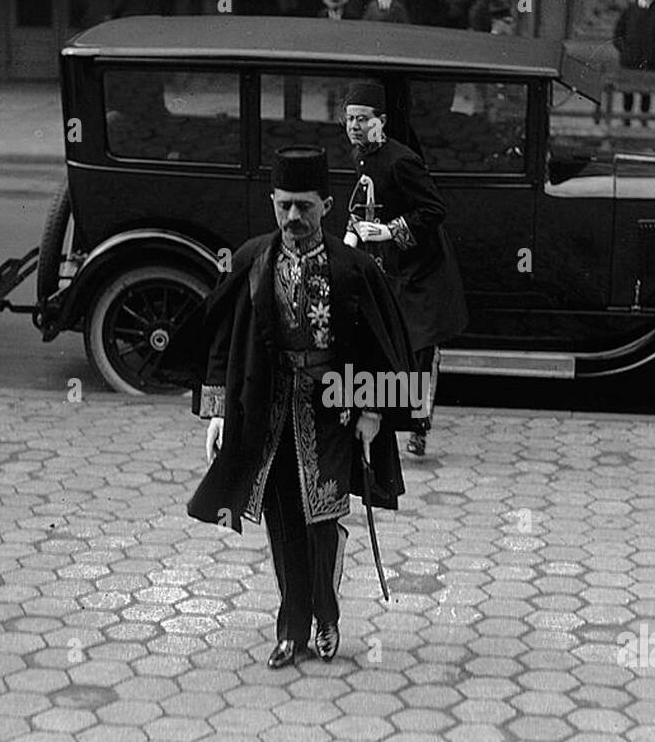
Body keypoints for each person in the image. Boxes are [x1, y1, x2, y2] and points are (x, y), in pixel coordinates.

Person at [186, 147, 416, 669]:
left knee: (325, 517)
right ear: (272, 202)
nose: (294, 217)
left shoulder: (354, 270)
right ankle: (291, 629)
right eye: (285, 205)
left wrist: (373, 410)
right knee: (283, 520)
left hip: (331, 410)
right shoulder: (251, 262)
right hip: (268, 412)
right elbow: (226, 339)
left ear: (327, 206)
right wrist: (220, 410)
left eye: (305, 207)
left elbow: (380, 343)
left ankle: (327, 617)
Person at [340, 81, 469, 457]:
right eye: (349, 119)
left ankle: (419, 426)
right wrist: (349, 244)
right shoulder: (360, 156)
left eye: (362, 119)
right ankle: (382, 417)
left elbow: (433, 210)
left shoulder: (402, 160)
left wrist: (389, 231)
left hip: (423, 269)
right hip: (390, 266)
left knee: (420, 349)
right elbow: (361, 203)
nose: (354, 127)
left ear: (381, 121)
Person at [612, 0, 655, 123]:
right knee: (628, 91)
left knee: (646, 91)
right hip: (629, 59)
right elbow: (618, 34)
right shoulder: (629, 11)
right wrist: (624, 50)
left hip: (648, 60)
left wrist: (654, 52)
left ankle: (644, 118)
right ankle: (627, 118)